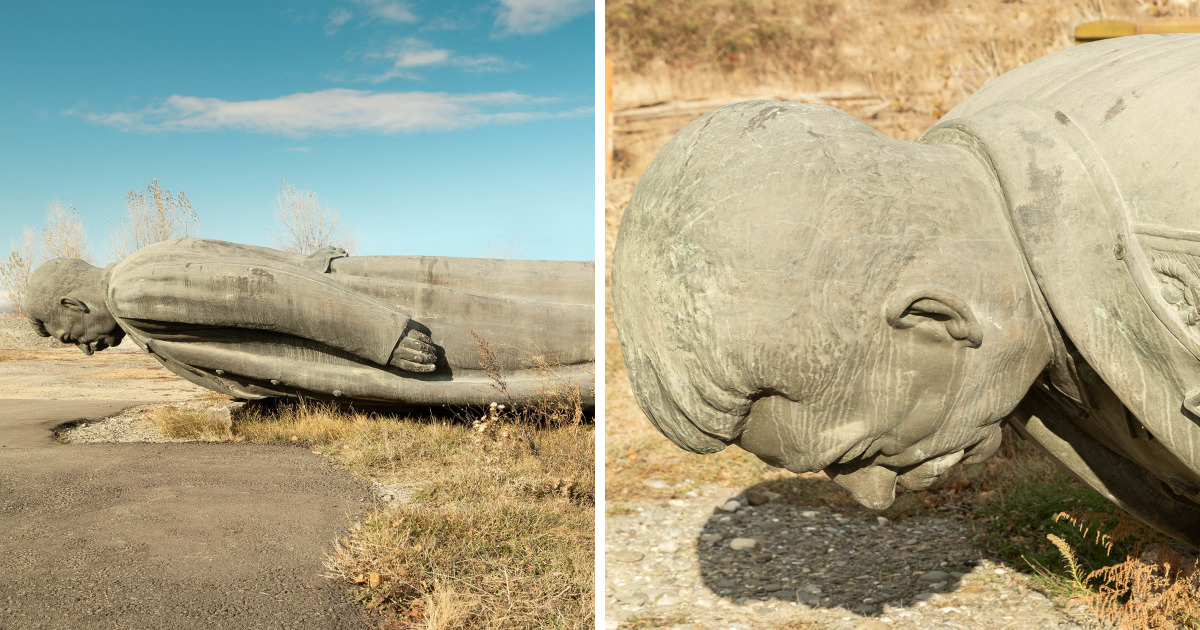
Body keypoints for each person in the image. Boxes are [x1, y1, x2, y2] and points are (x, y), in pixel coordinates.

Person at [613, 34, 1200, 543]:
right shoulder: (970, 196)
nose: (875, 498)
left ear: (936, 320)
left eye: (859, 453)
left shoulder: (1178, 228)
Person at [28, 238, 594, 406]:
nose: (81, 350)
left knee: (519, 335)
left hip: (377, 314)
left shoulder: (134, 289)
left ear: (72, 308)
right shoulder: (137, 277)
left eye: (66, 337)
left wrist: (383, 336)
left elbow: (266, 290)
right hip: (358, 300)